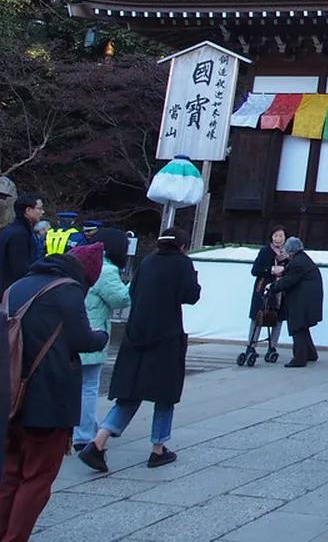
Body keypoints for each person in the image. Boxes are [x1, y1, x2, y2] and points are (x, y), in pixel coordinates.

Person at [0, 245, 108, 538]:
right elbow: (83, 339)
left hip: (8, 398)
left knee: (9, 475)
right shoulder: (68, 290)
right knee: (36, 479)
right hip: (46, 402)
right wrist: (102, 336)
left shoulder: (16, 286)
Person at [79, 227, 201, 473]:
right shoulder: (183, 264)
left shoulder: (147, 262)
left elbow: (131, 293)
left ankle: (98, 442)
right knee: (164, 394)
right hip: (167, 334)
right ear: (182, 246)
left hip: (136, 333)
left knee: (130, 393)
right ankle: (158, 449)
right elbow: (191, 295)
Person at [75, 228, 132, 451]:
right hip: (93, 331)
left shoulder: (80, 260)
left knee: (73, 385)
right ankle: (84, 434)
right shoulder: (106, 269)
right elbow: (121, 299)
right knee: (88, 386)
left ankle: (73, 428)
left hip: (74, 329)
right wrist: (134, 285)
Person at [270, 237, 324, 367]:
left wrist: (272, 287)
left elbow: (289, 280)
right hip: (308, 299)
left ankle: (299, 358)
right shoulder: (302, 259)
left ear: (291, 250)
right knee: (302, 326)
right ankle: (310, 354)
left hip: (302, 300)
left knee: (297, 326)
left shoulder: (297, 263)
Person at [249, 225, 289, 359]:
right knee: (258, 317)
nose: (278, 239)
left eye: (281, 236)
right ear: (271, 237)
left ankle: (273, 346)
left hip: (280, 290)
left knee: (278, 318)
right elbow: (255, 270)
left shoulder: (288, 253)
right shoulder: (265, 251)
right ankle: (251, 345)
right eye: (275, 235)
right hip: (263, 289)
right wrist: (271, 270)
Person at [0, 195, 43, 295]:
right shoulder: (20, 234)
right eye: (39, 208)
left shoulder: (9, 230)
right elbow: (20, 269)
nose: (42, 212)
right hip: (12, 294)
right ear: (28, 210)